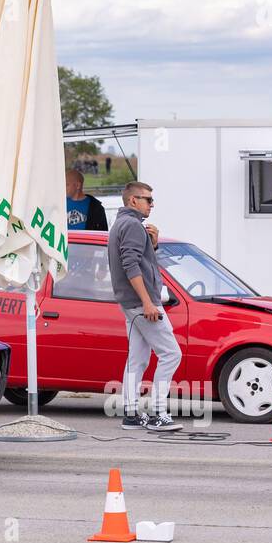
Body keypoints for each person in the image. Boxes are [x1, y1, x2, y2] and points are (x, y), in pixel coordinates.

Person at [107, 181, 182, 432]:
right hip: (141, 303)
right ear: (133, 201)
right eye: (148, 200)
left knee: (137, 358)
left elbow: (138, 260)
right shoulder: (132, 225)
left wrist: (154, 244)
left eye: (152, 200)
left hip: (130, 303)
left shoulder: (122, 224)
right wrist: (148, 301)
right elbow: (131, 265)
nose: (152, 204)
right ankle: (158, 412)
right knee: (171, 353)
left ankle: (131, 414)